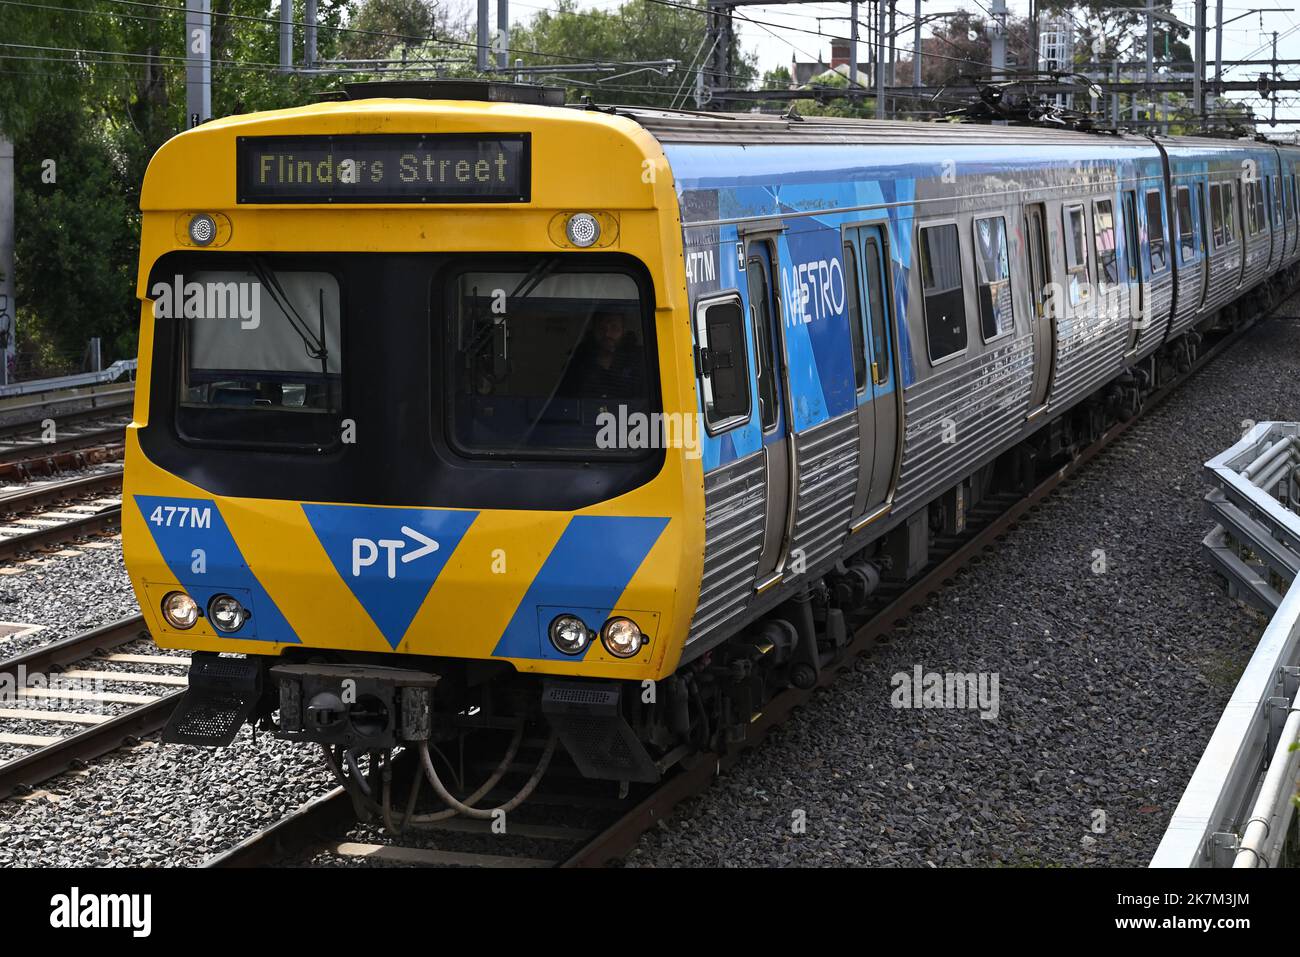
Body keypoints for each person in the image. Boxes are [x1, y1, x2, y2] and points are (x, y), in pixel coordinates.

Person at [559, 310, 644, 399]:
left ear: (623, 330)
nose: (607, 334)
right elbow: (564, 402)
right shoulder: (577, 364)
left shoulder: (637, 363)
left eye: (614, 327)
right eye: (601, 328)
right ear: (593, 330)